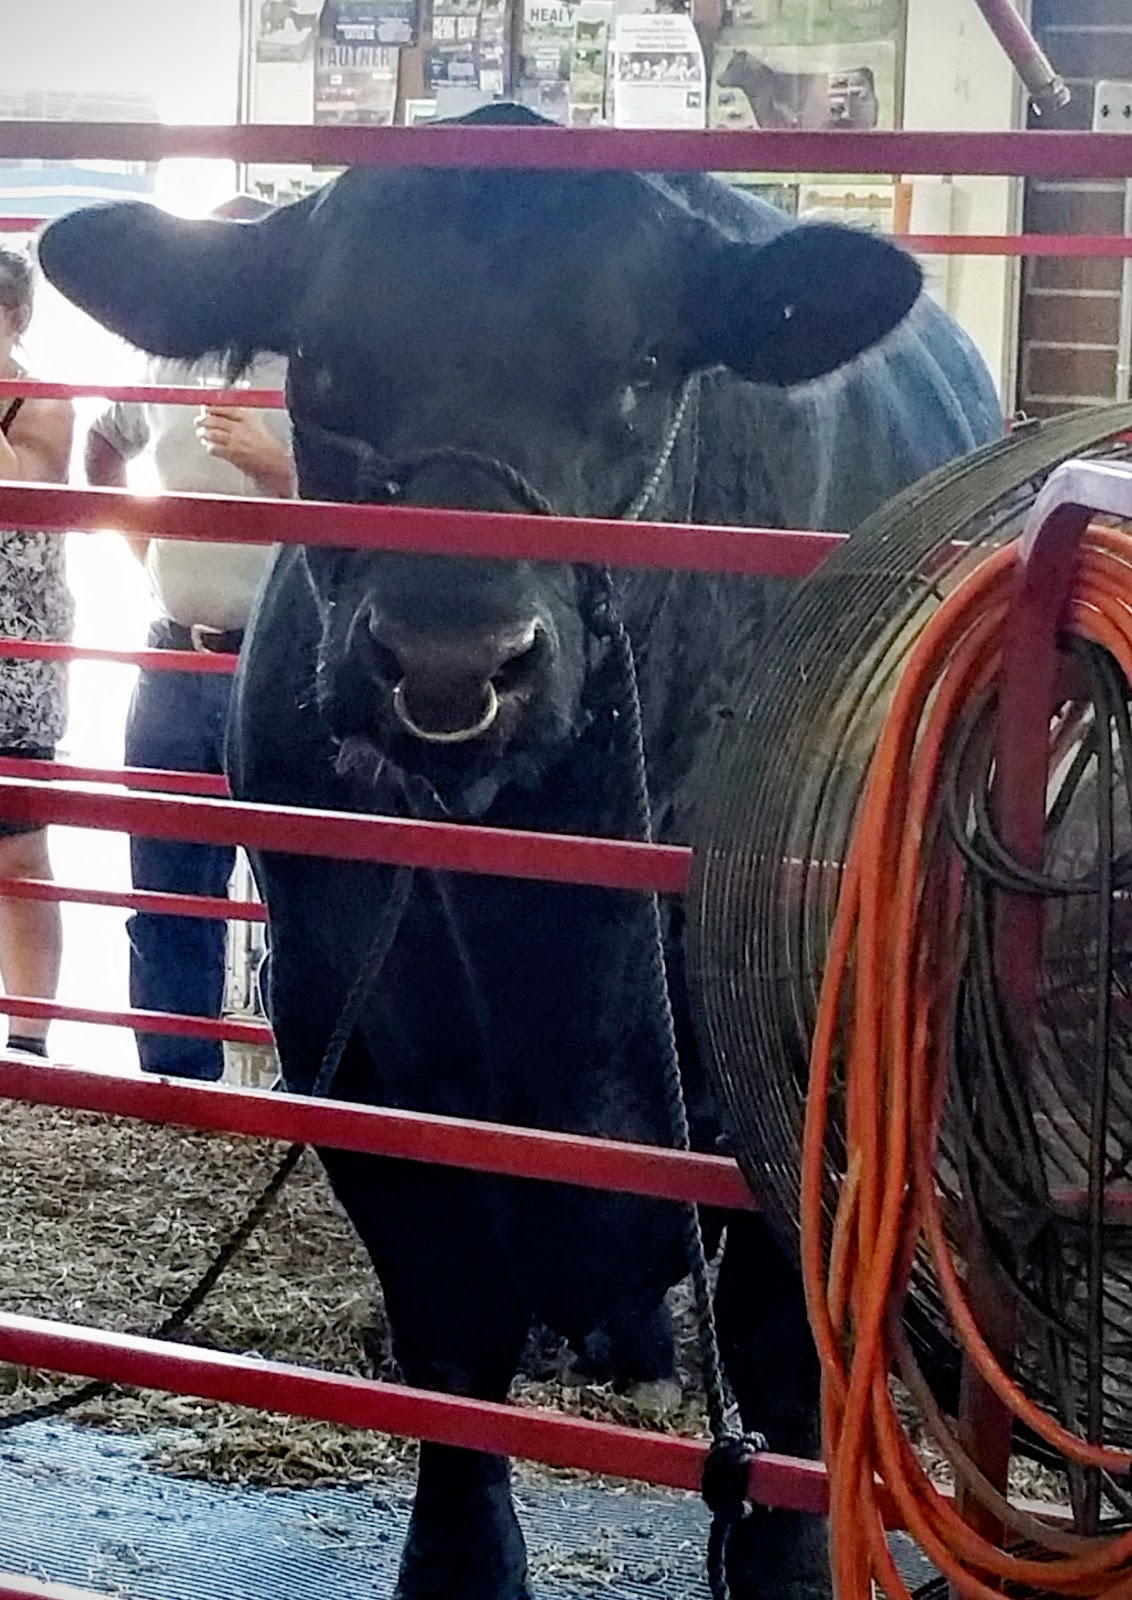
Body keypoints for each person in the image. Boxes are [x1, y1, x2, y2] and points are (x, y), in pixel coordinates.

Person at [85, 325, 293, 1081]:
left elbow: (377, 507)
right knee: (167, 883)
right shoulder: (165, 356)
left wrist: (278, 470)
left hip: (285, 663)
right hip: (172, 654)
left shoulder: (322, 365)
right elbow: (103, 446)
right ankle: (175, 1084)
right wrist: (149, 557)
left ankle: (302, 1085)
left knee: (297, 890)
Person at [0, 245, 75, 1059]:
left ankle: (28, 1038)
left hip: (14, 658)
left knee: (17, 850)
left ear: (16, 320)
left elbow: (20, 498)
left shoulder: (44, 403)